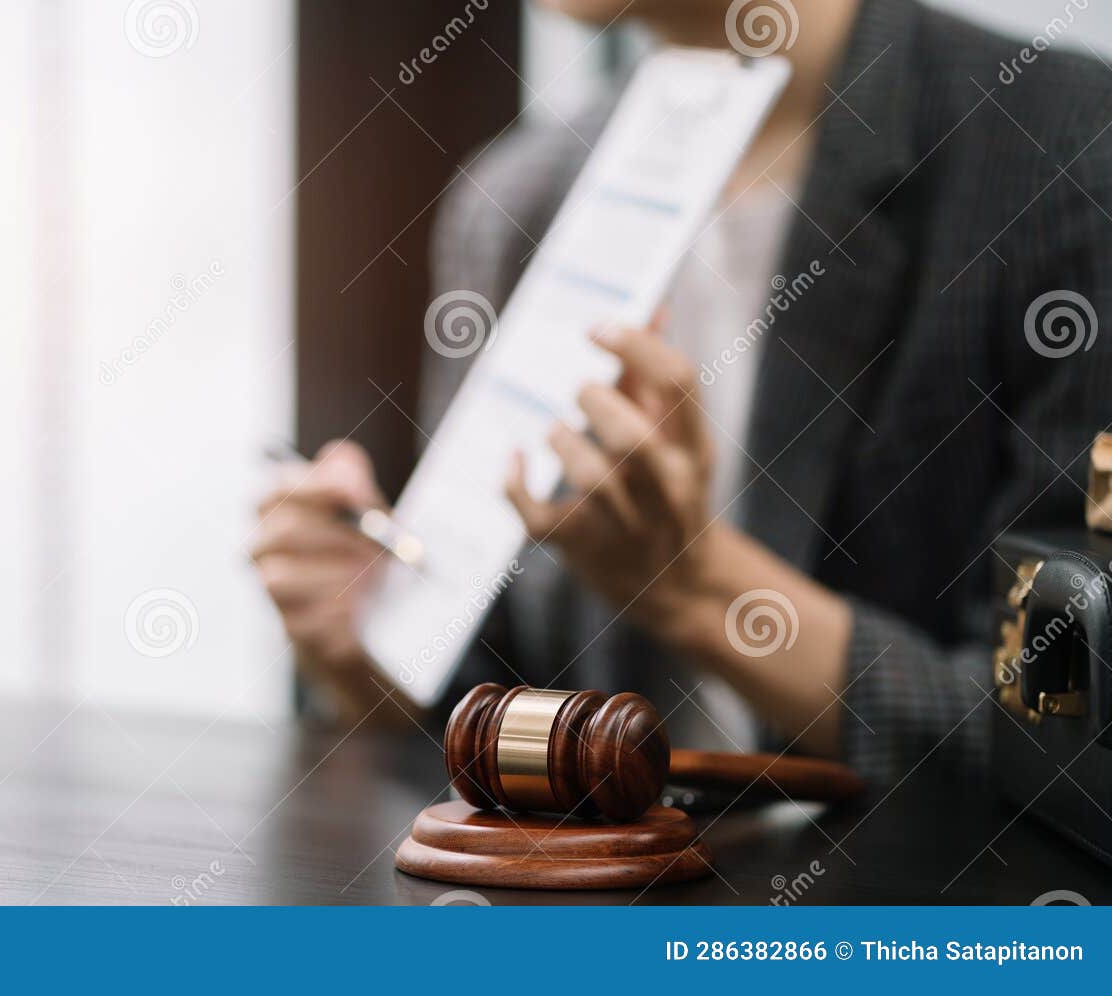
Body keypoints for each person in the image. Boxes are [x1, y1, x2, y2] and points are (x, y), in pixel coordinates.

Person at [252, 0, 1112, 784]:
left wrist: (692, 585)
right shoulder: (517, 198)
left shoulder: (1064, 149)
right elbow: (501, 686)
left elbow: (1060, 746)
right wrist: (372, 648)